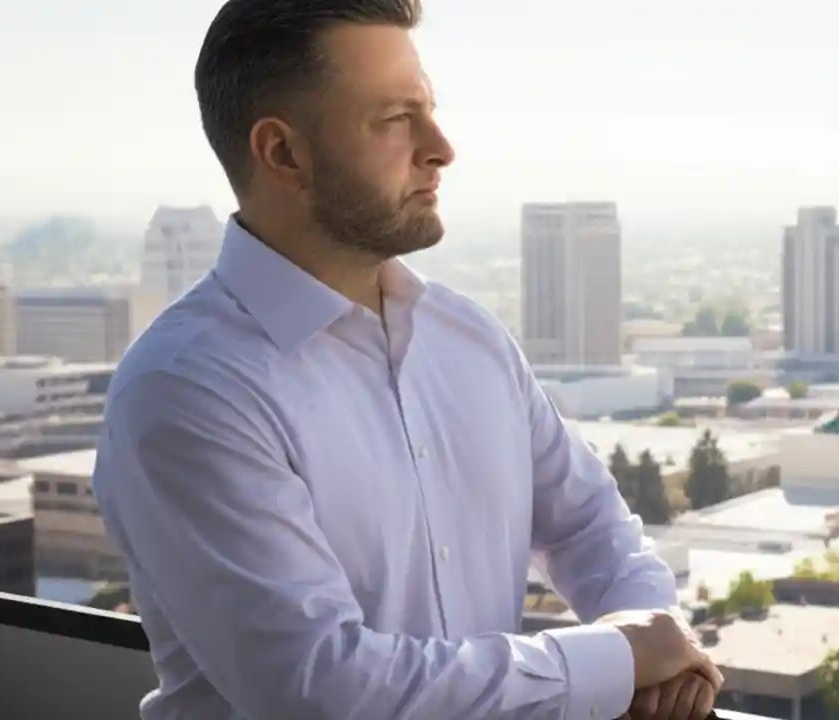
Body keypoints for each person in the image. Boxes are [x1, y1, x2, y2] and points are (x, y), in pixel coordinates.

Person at [91, 1, 723, 718]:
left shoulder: (469, 339)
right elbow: (319, 686)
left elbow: (590, 525)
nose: (441, 146)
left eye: (428, 109)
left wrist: (654, 643)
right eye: (395, 119)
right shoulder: (187, 390)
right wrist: (617, 658)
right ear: (282, 153)